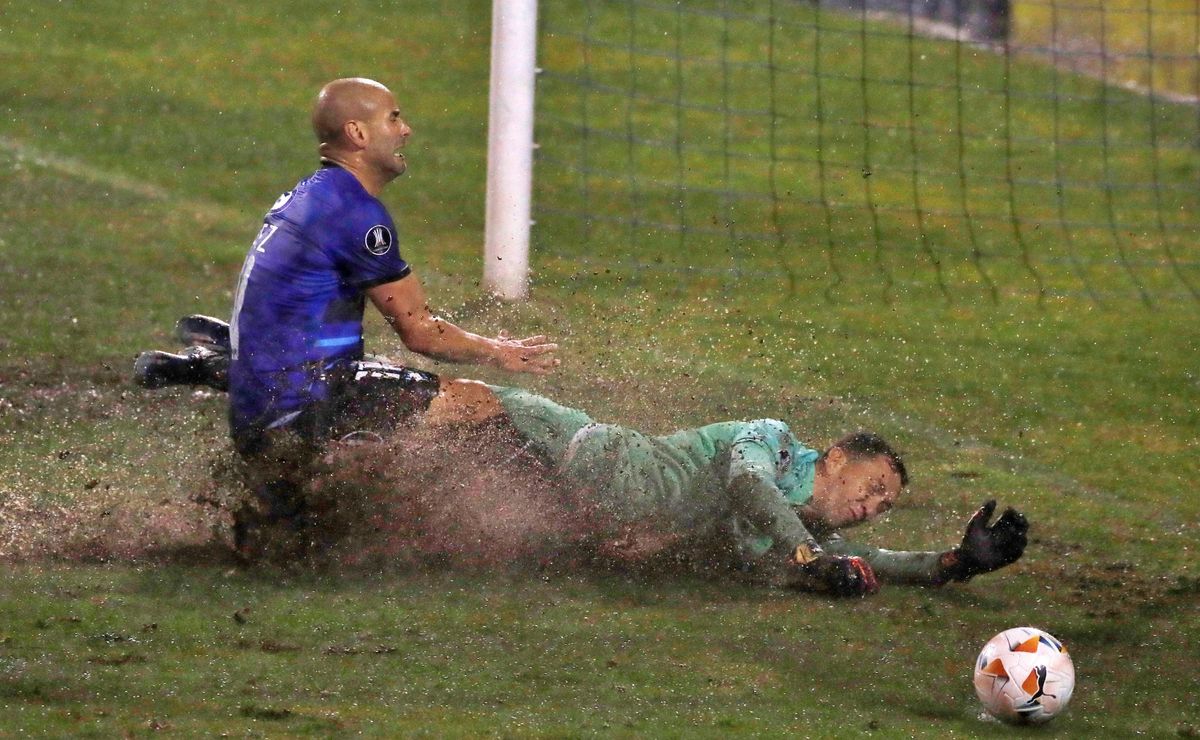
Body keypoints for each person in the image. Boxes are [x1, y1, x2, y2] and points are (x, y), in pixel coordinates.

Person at [135, 319, 1029, 595]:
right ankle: (225, 362)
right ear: (833, 459)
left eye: (884, 507)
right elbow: (754, 492)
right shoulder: (771, 447)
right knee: (421, 402)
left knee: (385, 468)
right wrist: (810, 558)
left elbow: (847, 561)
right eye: (872, 489)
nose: (872, 510)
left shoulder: (780, 535)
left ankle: (281, 514)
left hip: (552, 497)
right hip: (562, 442)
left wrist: (947, 566)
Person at [134, 77, 557, 544]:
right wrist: (498, 351)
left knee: (399, 393)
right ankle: (556, 528)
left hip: (261, 407)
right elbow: (422, 333)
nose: (406, 130)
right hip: (304, 407)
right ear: (358, 134)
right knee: (475, 404)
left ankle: (220, 380)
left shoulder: (310, 195)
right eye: (393, 118)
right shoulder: (355, 215)